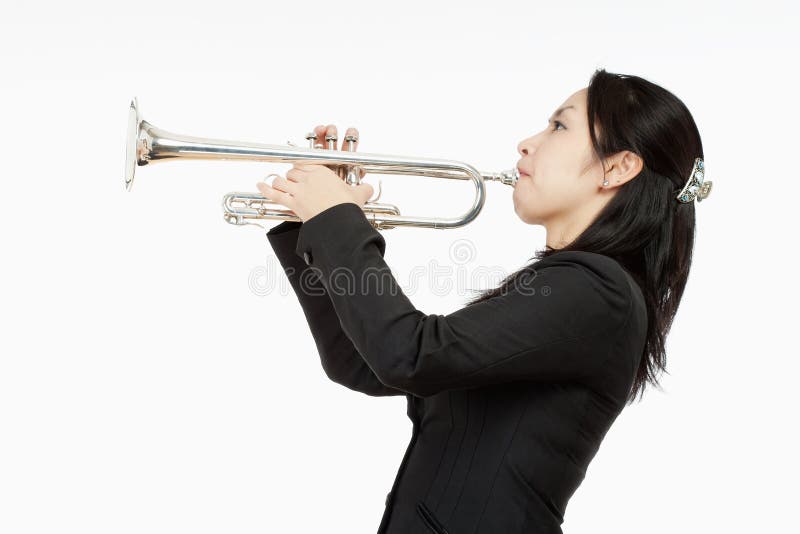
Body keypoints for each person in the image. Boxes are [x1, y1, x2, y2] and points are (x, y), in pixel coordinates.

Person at [256, 68, 711, 534]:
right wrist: (308, 225)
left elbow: (408, 355)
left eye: (559, 126)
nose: (527, 143)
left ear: (617, 167)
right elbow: (361, 363)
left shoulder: (599, 291)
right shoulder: (576, 288)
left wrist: (338, 219)